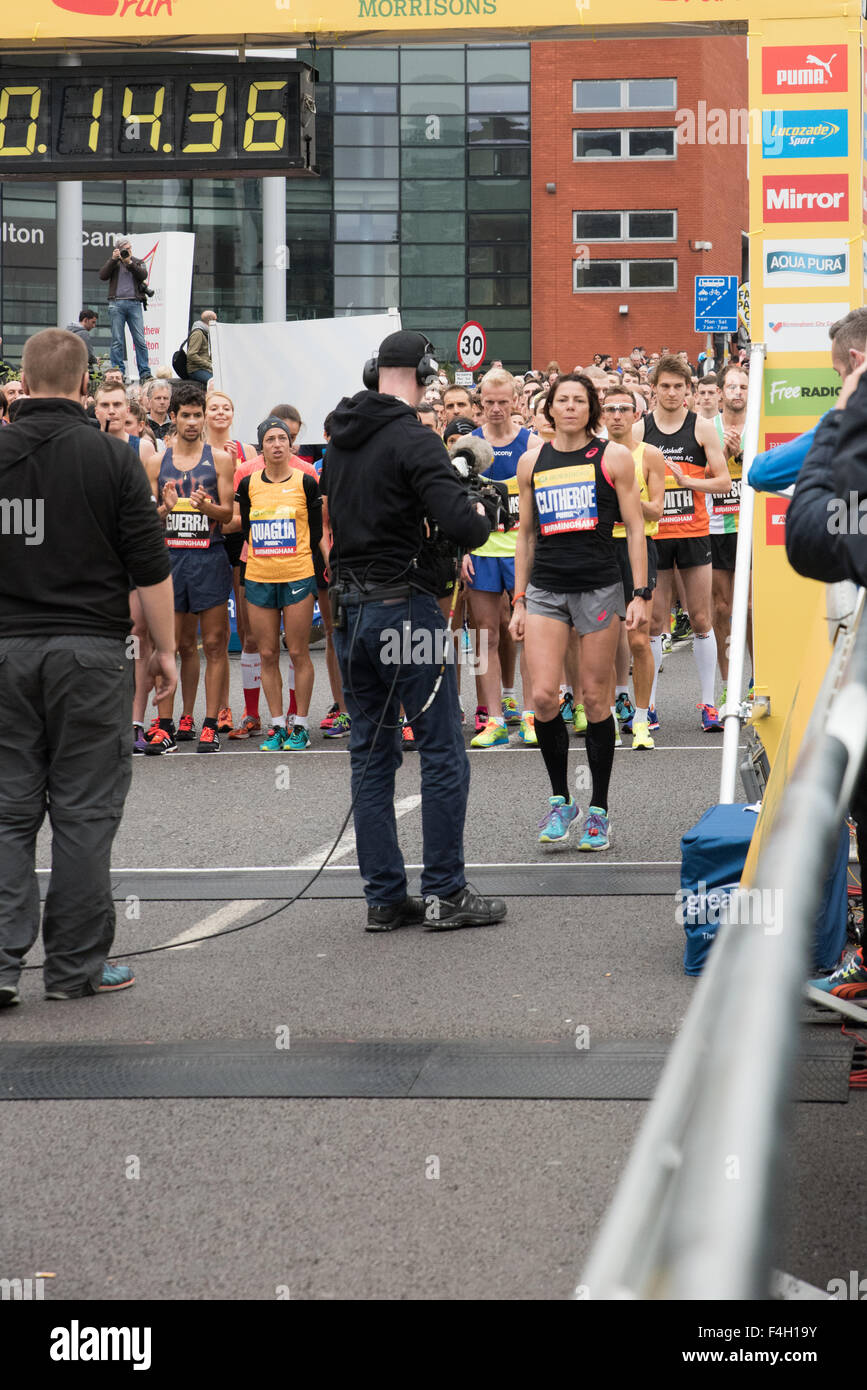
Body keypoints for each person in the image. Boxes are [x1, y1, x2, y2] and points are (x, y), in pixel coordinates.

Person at [0, 328, 175, 1007]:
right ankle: (74, 968)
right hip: (92, 652)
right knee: (82, 812)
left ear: (22, 377)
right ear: (83, 386)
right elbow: (151, 567)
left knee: (8, 812)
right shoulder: (112, 459)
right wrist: (164, 651)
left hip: (6, 650)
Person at [322, 329, 506, 933]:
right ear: (425, 375)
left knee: (370, 757)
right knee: (443, 749)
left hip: (349, 616)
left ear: (377, 370)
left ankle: (382, 897)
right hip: (407, 611)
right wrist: (477, 505)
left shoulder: (340, 439)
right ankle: (446, 893)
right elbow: (468, 528)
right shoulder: (414, 438)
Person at [509, 372, 649, 850]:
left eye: (579, 400)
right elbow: (525, 535)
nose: (570, 407)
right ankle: (560, 800)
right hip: (546, 590)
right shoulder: (532, 461)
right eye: (561, 400)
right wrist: (519, 598)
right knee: (545, 698)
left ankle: (599, 811)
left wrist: (641, 593)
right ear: (549, 408)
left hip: (599, 589)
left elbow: (634, 529)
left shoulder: (613, 457)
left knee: (594, 701)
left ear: (591, 408)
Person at [634, 354, 731, 732]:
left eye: (679, 386)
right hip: (656, 536)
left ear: (688, 391)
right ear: (654, 389)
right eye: (665, 386)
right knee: (655, 621)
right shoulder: (641, 431)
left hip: (693, 532)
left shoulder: (703, 428)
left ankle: (708, 703)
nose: (672, 393)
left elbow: (722, 482)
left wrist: (690, 483)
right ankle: (651, 704)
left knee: (702, 617)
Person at [144, 383, 234, 754]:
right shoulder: (155, 461)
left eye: (199, 415)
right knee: (175, 644)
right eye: (187, 415)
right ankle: (166, 724)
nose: (194, 421)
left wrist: (206, 507)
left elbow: (228, 514)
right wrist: (165, 509)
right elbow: (146, 517)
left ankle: (210, 723)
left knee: (213, 643)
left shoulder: (221, 459)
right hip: (171, 558)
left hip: (208, 557)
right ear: (174, 418)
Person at [235, 416, 324, 751]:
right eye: (270, 439)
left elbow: (315, 533)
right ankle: (275, 726)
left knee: (298, 651)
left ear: (291, 445)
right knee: (268, 652)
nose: (276, 444)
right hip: (259, 576)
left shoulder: (305, 482)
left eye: (282, 439)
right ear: (262, 446)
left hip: (298, 574)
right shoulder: (248, 484)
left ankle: (299, 725)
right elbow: (246, 529)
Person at [465, 367, 535, 748]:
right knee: (484, 636)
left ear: (516, 402)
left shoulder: (533, 444)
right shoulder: (466, 445)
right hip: (482, 551)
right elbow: (456, 503)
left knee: (527, 634)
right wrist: (461, 551)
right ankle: (493, 719)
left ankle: (529, 715)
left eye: (502, 402)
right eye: (489, 402)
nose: (495, 409)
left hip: (521, 551)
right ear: (480, 404)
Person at [98, 236, 152, 384]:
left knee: (140, 340)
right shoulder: (114, 263)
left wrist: (129, 263)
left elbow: (143, 275)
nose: (127, 252)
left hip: (134, 304)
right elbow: (102, 275)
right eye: (124, 250)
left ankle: (145, 373)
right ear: (117, 250)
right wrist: (113, 259)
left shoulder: (137, 261)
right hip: (116, 304)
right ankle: (118, 372)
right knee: (117, 340)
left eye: (129, 249)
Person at [186, 310, 217, 384]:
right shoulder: (198, 333)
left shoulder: (205, 332)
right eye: (215, 320)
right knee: (214, 383)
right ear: (210, 320)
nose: (216, 322)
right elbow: (191, 354)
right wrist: (208, 365)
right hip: (196, 369)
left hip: (203, 368)